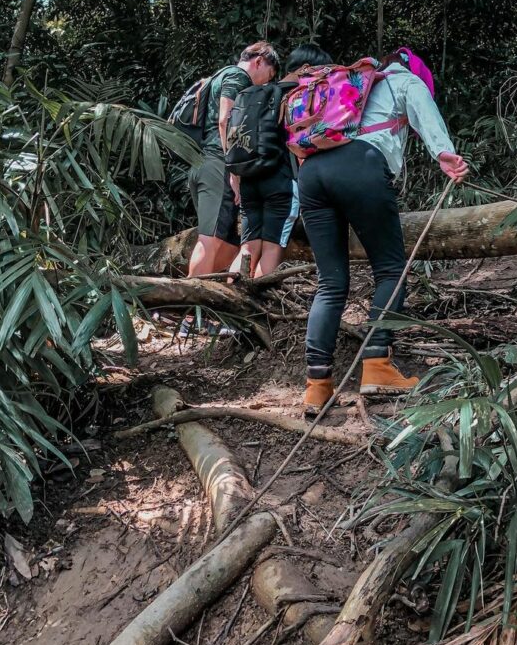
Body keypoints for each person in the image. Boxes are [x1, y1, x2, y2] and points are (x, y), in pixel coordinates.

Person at [298, 51, 469, 414]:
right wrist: (445, 155)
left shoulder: (351, 86)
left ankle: (317, 386)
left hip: (311, 173)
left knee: (330, 283)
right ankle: (377, 364)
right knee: (391, 269)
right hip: (361, 165)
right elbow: (426, 117)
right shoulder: (403, 80)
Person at [228, 44, 332, 279]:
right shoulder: (301, 95)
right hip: (280, 183)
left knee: (248, 247)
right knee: (273, 246)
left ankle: (228, 302)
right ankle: (256, 311)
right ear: (307, 68)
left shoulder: (262, 93)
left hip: (249, 179)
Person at [186, 41, 280, 278]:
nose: (266, 83)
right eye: (268, 75)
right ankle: (190, 307)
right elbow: (225, 119)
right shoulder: (238, 77)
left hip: (203, 163)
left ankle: (210, 294)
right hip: (218, 164)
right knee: (209, 241)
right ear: (259, 61)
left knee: (228, 244)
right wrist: (234, 171)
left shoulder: (217, 77)